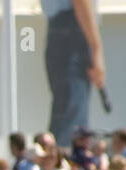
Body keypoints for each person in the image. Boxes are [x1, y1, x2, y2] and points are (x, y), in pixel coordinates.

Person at [43, 0, 105, 146]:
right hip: (73, 30)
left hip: (61, 29)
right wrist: (96, 48)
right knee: (72, 119)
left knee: (65, 111)